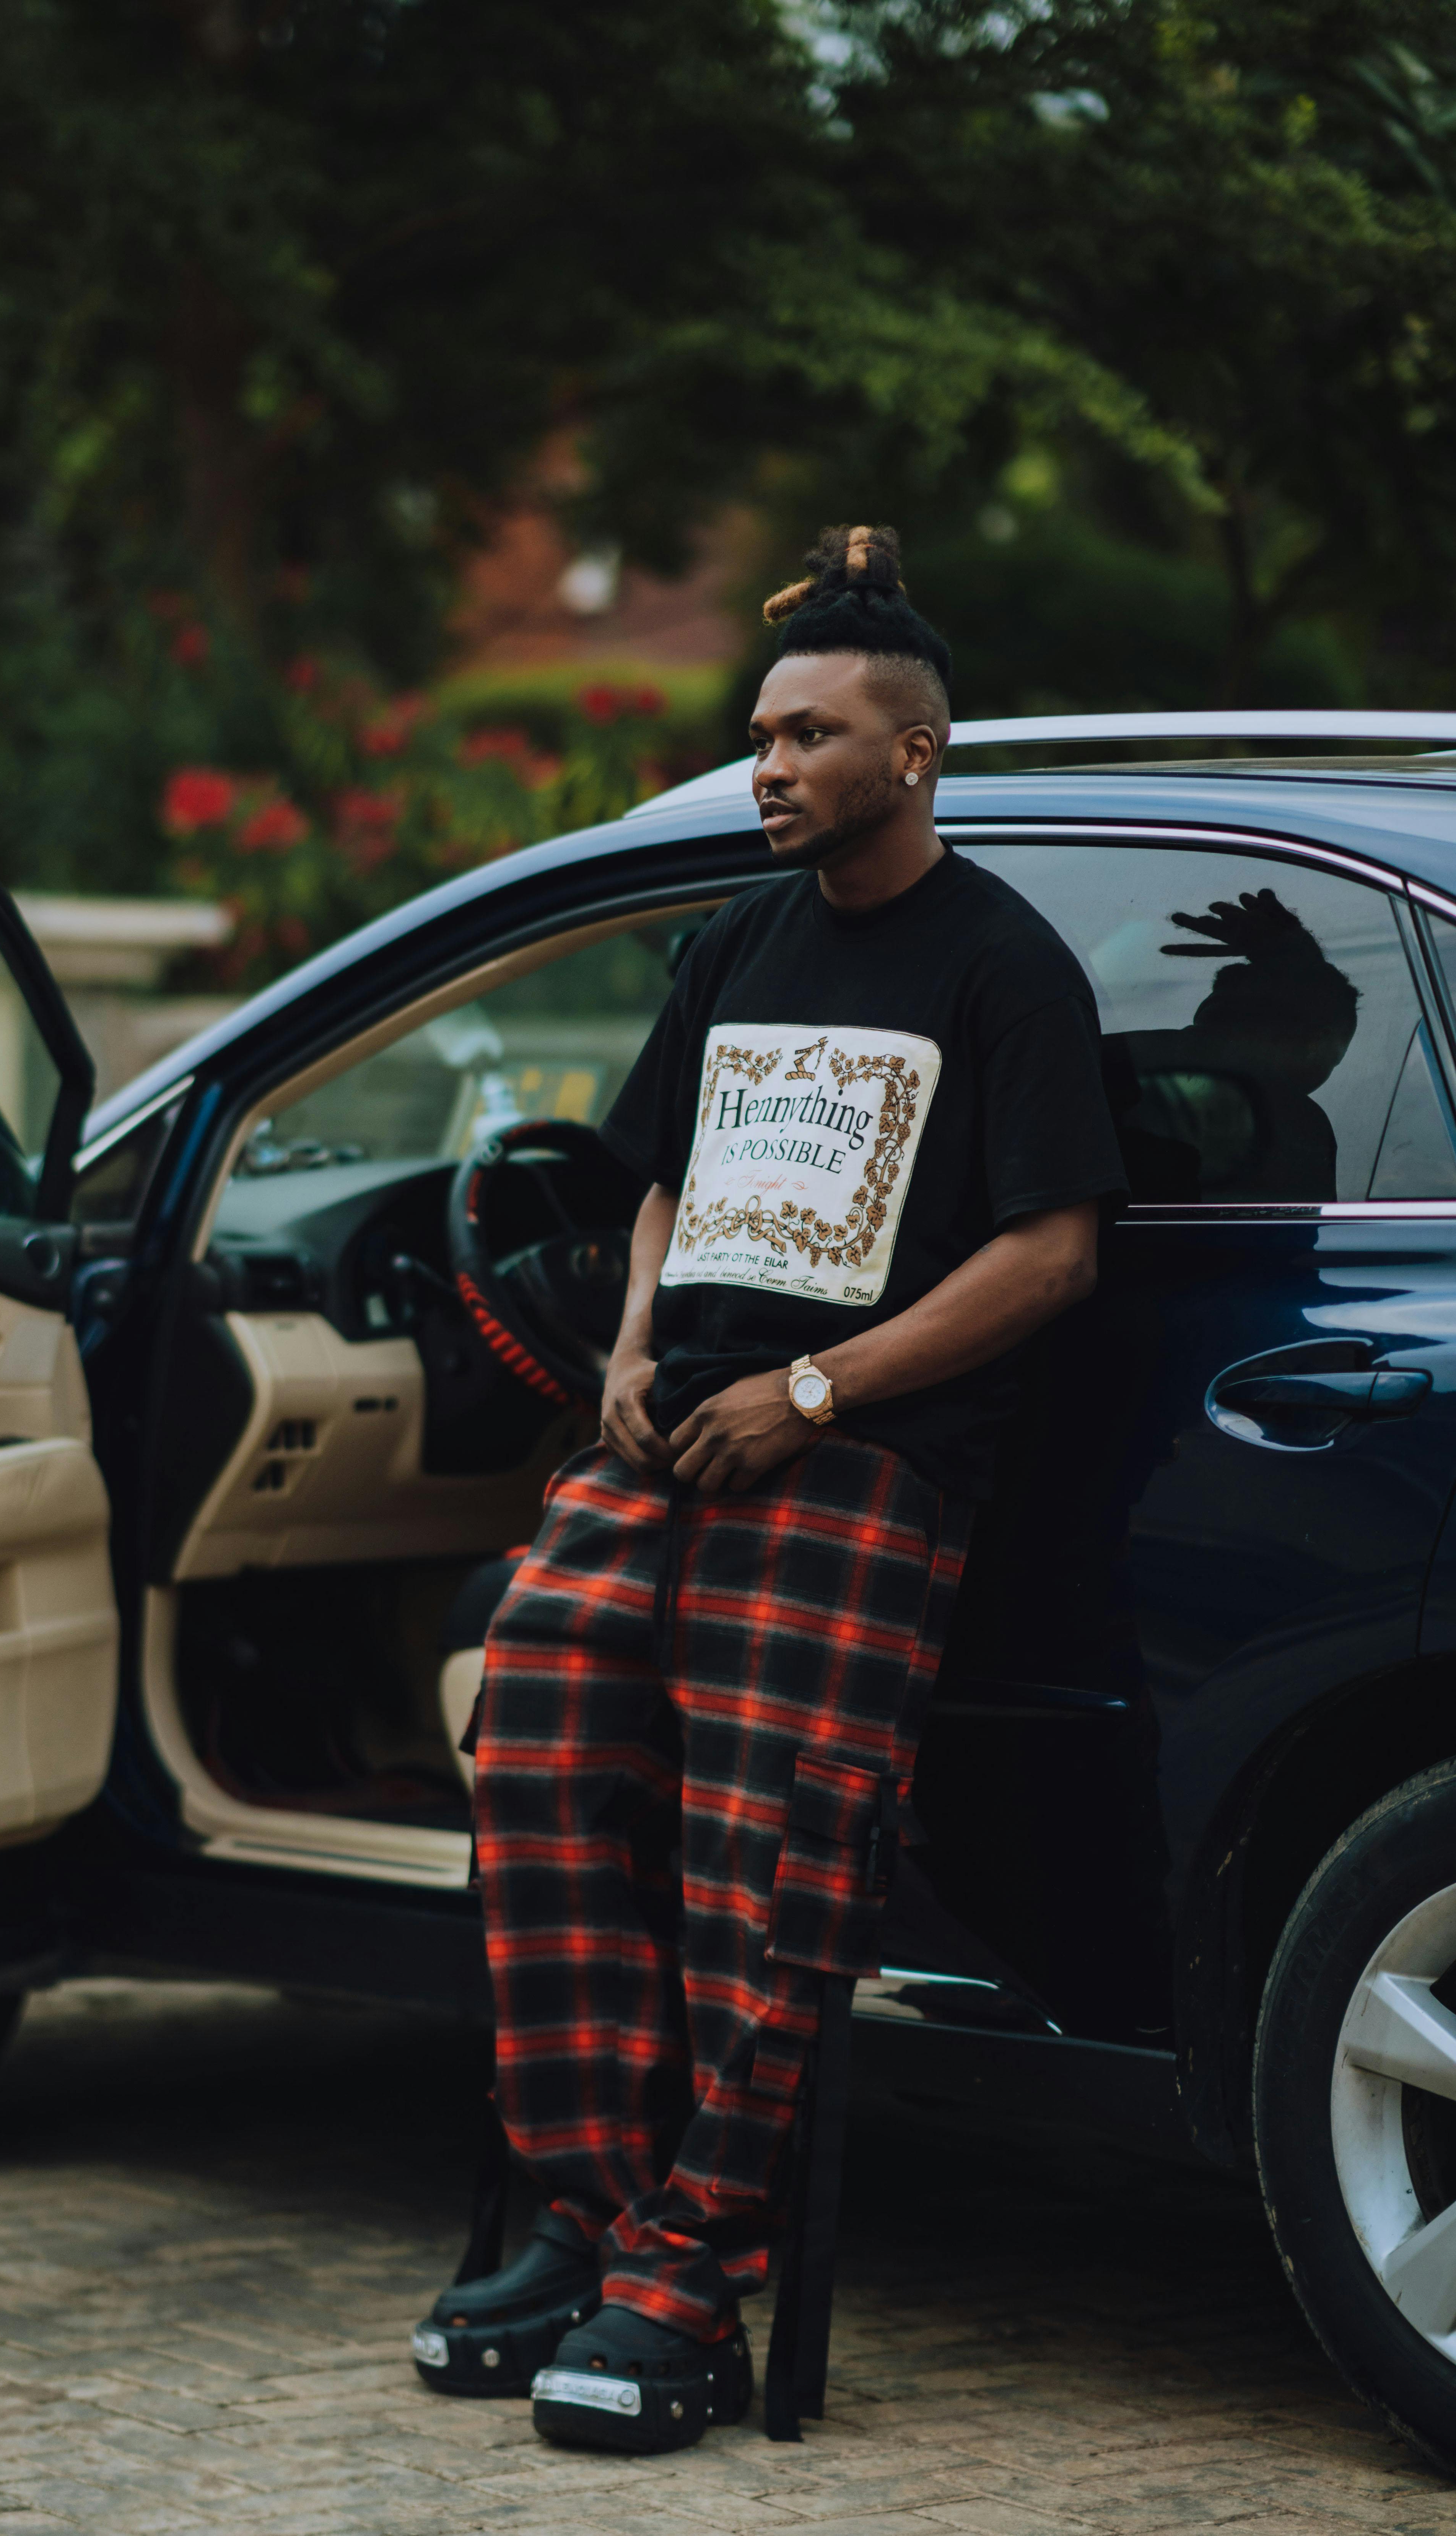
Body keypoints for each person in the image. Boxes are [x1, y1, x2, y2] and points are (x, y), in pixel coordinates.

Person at [408, 523, 1130, 2453]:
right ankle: (588, 2214)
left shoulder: (1005, 966)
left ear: (917, 752)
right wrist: (636, 1350)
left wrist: (815, 1386)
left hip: (860, 1465)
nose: (771, 765)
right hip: (671, 1441)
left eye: (810, 734)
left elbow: (1052, 1250)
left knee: (765, 1847)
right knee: (534, 1739)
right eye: (760, 733)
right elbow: (659, 1178)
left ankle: (693, 2268)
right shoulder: (737, 940)